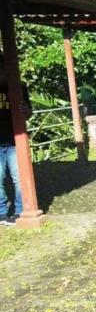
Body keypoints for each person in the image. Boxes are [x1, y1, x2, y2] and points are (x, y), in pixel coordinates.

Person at [0, 55, 31, 226]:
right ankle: (2, 212)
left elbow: (28, 113)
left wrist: (24, 110)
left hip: (14, 140)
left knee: (19, 178)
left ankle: (20, 210)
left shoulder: (19, 88)